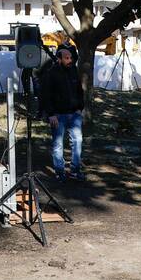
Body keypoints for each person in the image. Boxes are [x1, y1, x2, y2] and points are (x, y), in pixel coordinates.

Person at [40, 45, 86, 181]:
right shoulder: (51, 73)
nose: (70, 60)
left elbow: (79, 90)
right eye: (66, 58)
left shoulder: (73, 71)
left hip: (74, 114)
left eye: (71, 57)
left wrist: (80, 108)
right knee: (58, 144)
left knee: (78, 141)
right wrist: (51, 113)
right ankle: (59, 171)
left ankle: (75, 170)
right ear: (59, 59)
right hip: (58, 115)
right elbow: (46, 94)